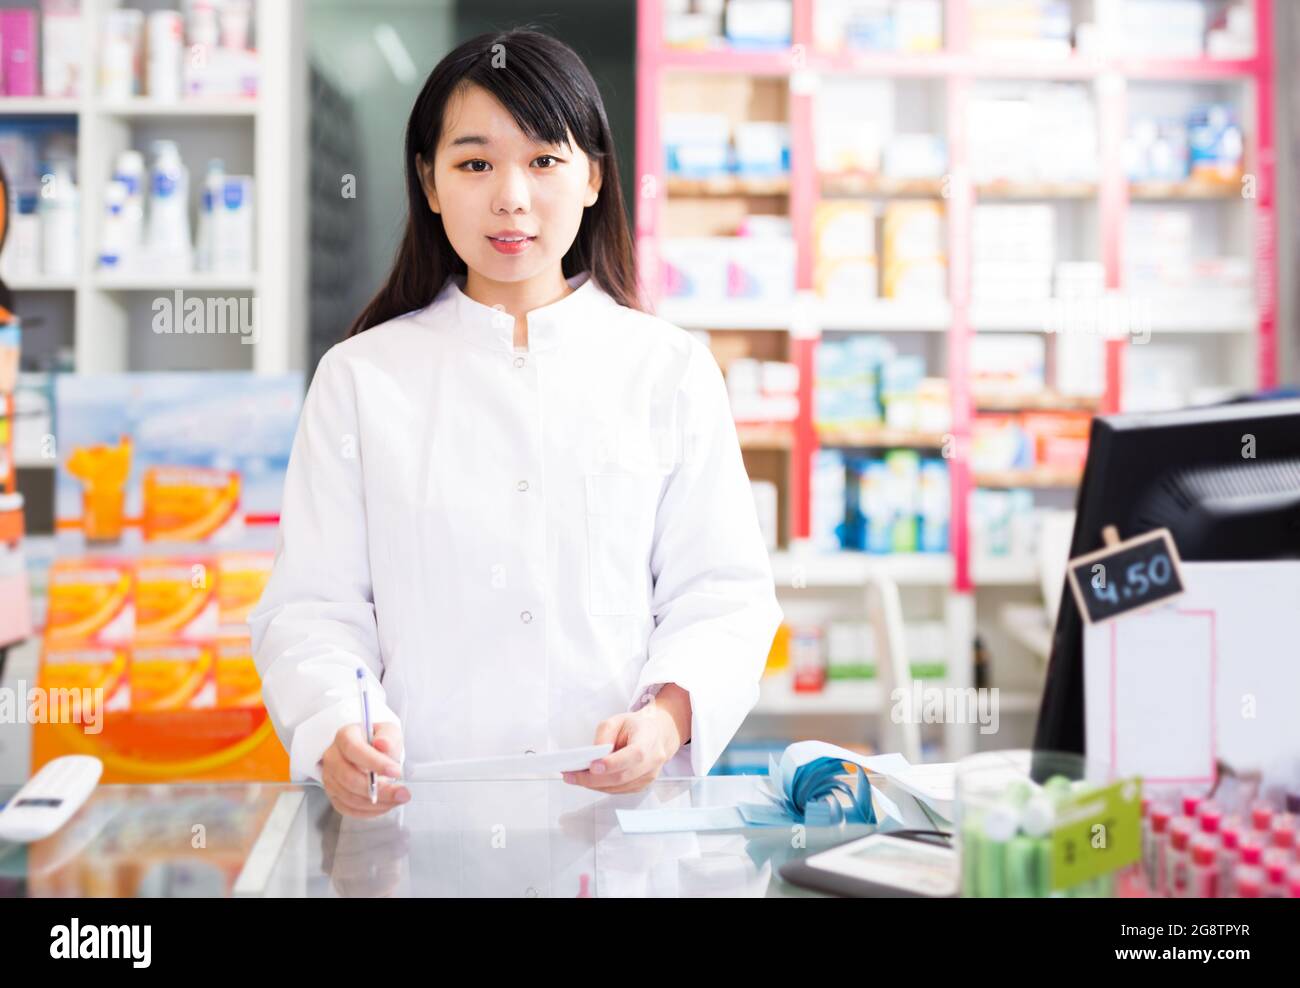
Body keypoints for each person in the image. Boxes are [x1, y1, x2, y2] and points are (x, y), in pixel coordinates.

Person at [249, 28, 782, 819]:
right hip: (423, 819)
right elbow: (313, 607)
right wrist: (337, 724)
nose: (511, 198)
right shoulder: (362, 379)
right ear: (428, 182)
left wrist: (666, 721)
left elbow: (723, 594)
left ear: (594, 176)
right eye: (474, 163)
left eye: (543, 160)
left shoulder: (667, 369)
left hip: (622, 829)